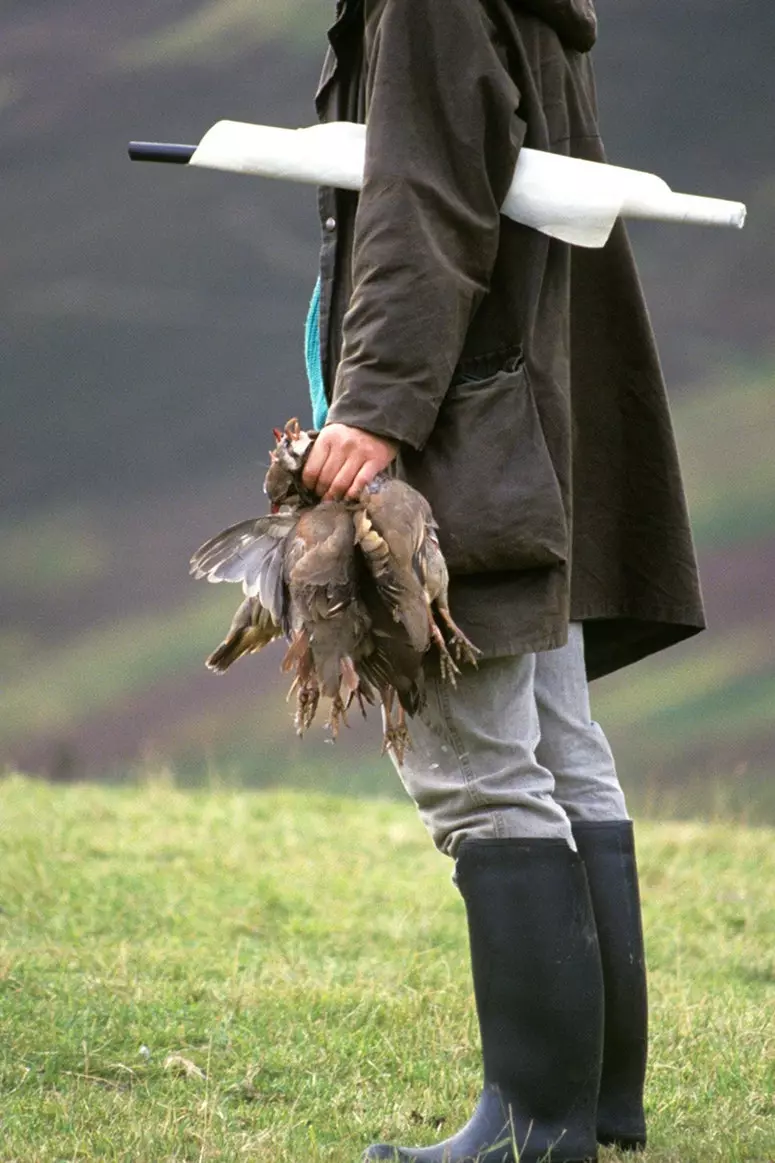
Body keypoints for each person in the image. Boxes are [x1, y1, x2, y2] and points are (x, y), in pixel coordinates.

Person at [300, 1, 705, 1160]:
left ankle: (534, 1127)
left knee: (479, 774)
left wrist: (374, 406)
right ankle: (594, 1108)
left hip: (468, 439)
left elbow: (423, 195)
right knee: (561, 756)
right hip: (532, 421)